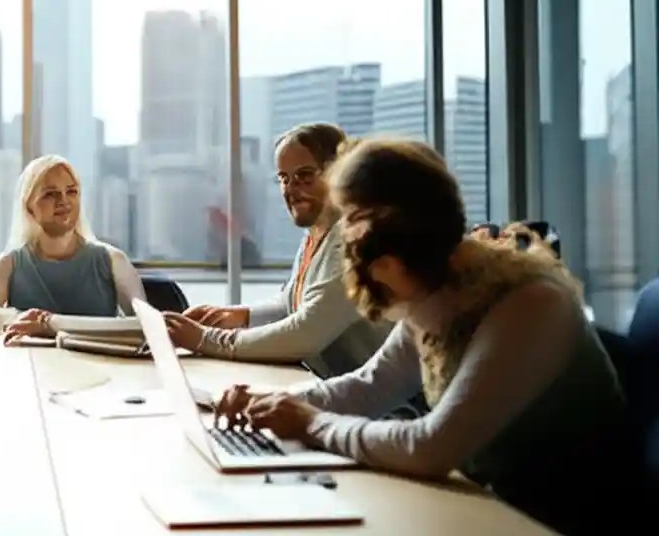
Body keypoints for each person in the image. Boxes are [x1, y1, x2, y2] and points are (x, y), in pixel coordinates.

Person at [214, 138, 638, 535]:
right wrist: (266, 403)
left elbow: (432, 446)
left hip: (554, 518)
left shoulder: (532, 304)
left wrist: (312, 423)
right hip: (484, 500)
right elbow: (370, 386)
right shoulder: (439, 286)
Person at [165, 124, 390, 378]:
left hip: (386, 407)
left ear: (338, 172)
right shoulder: (316, 234)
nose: (291, 189)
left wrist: (206, 339)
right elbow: (292, 303)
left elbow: (305, 332)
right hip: (337, 391)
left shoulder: (352, 242)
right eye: (284, 178)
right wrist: (240, 316)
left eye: (305, 176)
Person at [0, 154, 146, 345]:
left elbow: (144, 322)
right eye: (50, 194)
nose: (63, 201)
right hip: (32, 368)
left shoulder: (114, 260)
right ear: (29, 206)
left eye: (71, 192)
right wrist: (12, 321)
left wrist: (48, 324)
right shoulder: (8, 264)